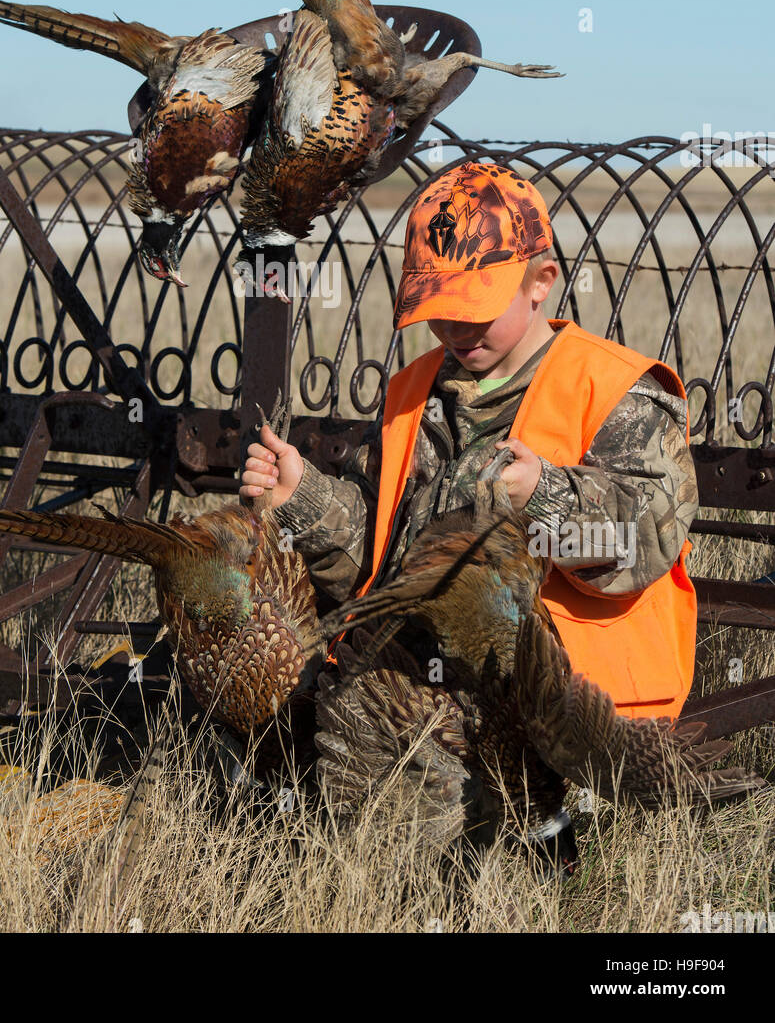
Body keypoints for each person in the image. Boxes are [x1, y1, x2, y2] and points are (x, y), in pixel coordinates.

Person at [239, 160, 699, 874]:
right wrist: (302, 496)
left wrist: (542, 495)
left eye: (474, 306)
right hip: (419, 667)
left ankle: (480, 876)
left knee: (412, 810)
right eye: (436, 307)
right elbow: (378, 550)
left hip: (560, 693)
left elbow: (640, 541)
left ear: (541, 282)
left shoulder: (616, 391)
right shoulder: (414, 391)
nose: (453, 327)